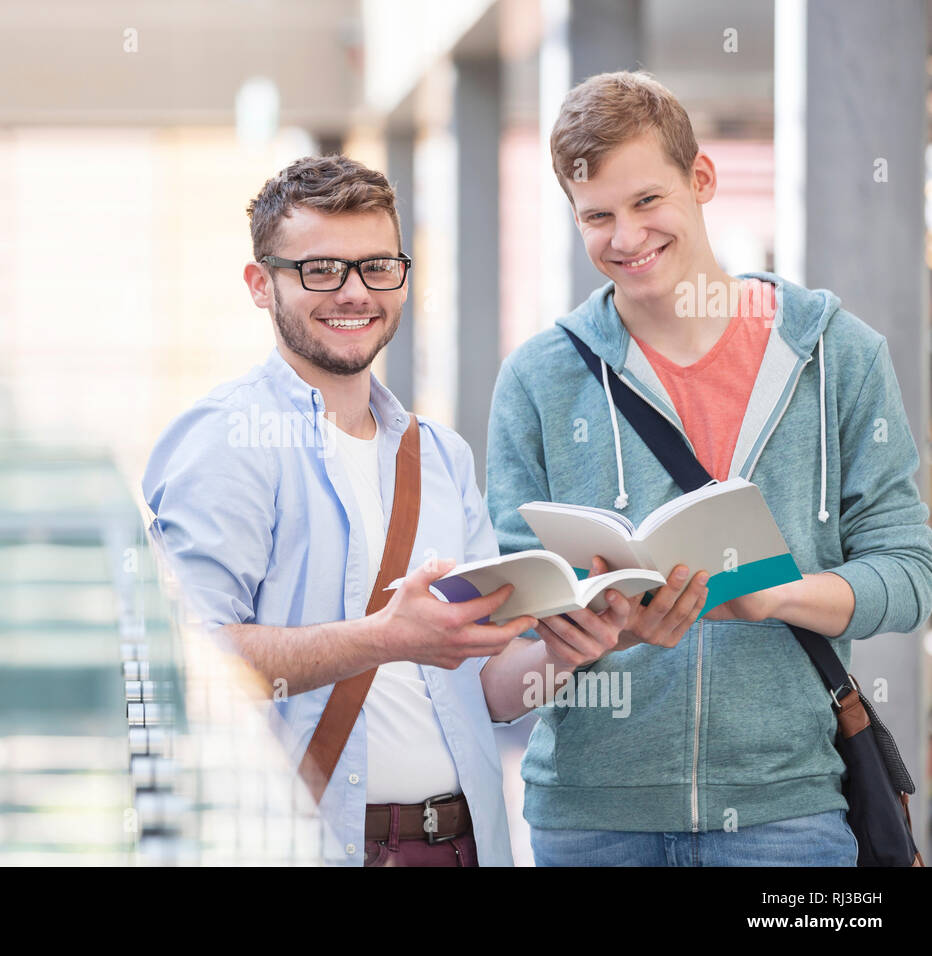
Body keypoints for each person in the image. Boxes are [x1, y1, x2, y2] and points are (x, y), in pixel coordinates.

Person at [141, 155, 699, 866]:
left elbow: (484, 695)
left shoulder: (438, 456)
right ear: (261, 283)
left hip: (462, 847)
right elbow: (191, 665)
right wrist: (382, 638)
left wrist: (571, 648)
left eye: (377, 267)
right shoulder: (226, 440)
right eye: (320, 270)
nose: (353, 293)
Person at [486, 71, 932, 866]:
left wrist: (777, 598)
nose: (625, 238)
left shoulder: (839, 355)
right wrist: (581, 639)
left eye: (647, 202)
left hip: (787, 816)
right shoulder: (537, 379)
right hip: (591, 822)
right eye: (597, 216)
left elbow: (910, 576)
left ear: (702, 179)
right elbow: (503, 662)